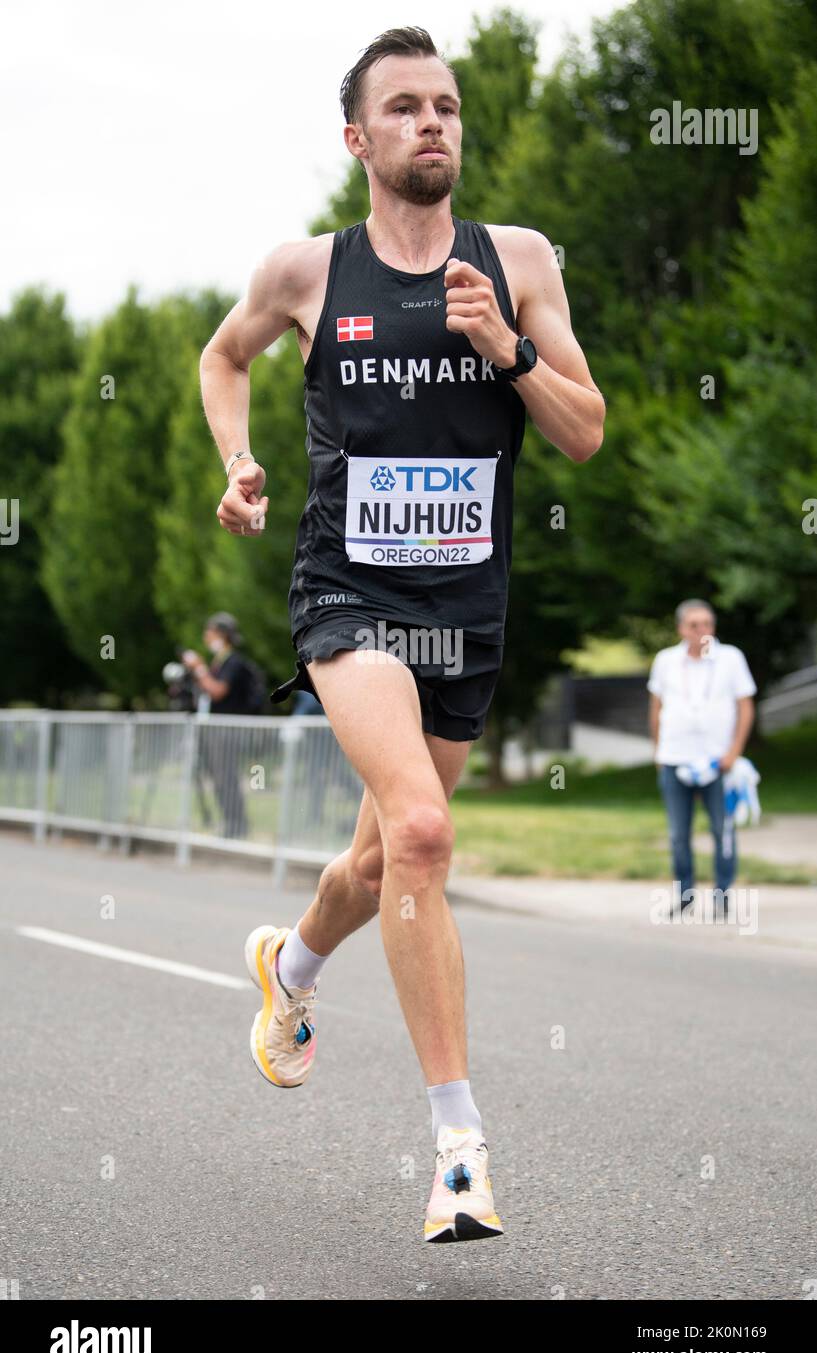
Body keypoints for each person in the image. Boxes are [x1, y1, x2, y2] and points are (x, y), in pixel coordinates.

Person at [199, 26, 604, 1242]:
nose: (433, 122)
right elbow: (223, 358)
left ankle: (291, 967)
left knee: (382, 865)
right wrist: (239, 463)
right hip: (348, 595)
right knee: (424, 831)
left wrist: (507, 350)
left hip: (465, 612)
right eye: (405, 107)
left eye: (446, 105)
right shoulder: (306, 273)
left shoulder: (517, 261)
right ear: (358, 138)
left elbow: (583, 431)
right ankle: (459, 1150)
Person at [648, 599, 757, 917]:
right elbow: (656, 706)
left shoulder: (730, 658)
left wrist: (734, 751)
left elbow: (745, 706)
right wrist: (658, 750)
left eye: (707, 624)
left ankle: (722, 894)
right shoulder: (666, 660)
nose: (702, 630)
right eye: (694, 625)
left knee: (723, 830)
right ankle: (685, 894)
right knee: (678, 834)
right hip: (675, 757)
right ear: (681, 629)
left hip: (718, 760)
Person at [182, 613, 253, 838]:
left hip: (226, 730)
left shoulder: (233, 662)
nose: (206, 636)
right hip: (215, 728)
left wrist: (199, 668)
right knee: (219, 778)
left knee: (226, 777)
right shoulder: (219, 662)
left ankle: (237, 824)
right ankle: (229, 822)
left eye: (210, 632)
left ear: (221, 634)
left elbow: (218, 690)